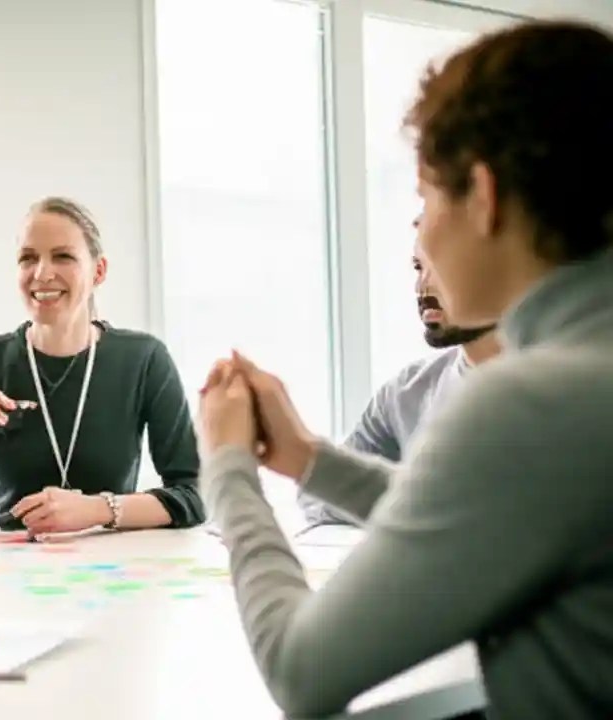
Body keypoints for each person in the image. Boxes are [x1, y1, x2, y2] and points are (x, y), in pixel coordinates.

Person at [195, 20, 613, 719]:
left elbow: (301, 671)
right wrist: (307, 459)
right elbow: (486, 516)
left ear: (483, 196)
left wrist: (229, 468)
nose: (420, 236)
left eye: (424, 203)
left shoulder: (531, 401)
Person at [0, 196, 205, 534]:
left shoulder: (144, 359)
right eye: (28, 258)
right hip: (9, 561)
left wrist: (97, 509)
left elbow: (193, 496)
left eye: (63, 256)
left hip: (110, 564)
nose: (41, 273)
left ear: (98, 271)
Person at [300, 234, 501, 526]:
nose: (423, 286)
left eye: (440, 266)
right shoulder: (407, 390)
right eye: (419, 267)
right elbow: (321, 493)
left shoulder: (555, 393)